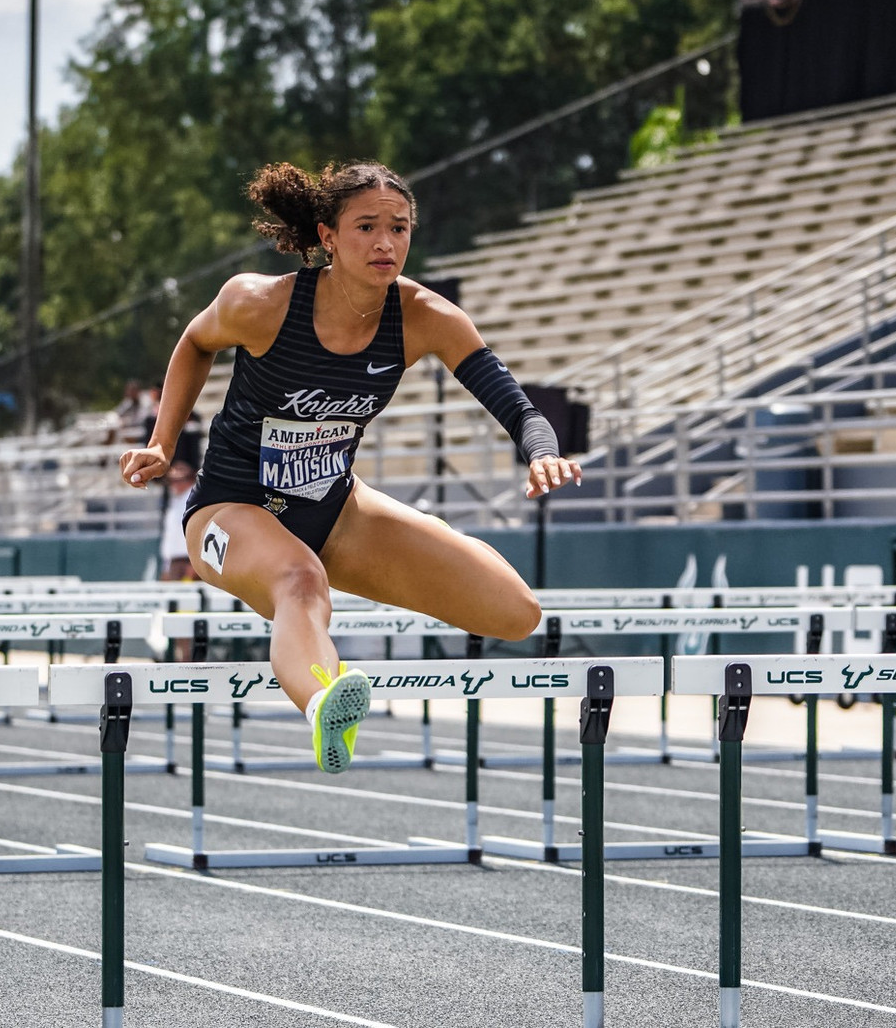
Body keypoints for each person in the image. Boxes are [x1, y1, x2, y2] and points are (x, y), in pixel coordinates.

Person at [117, 161, 578, 773]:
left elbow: (518, 408)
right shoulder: (258, 303)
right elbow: (196, 342)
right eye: (366, 227)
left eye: (400, 227)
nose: (386, 243)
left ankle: (430, 535)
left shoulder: (425, 317)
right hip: (228, 514)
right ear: (327, 236)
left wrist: (542, 451)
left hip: (335, 510)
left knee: (515, 614)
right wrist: (162, 440)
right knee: (301, 581)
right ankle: (324, 709)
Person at [158, 459, 200, 659]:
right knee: (176, 614)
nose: (175, 483)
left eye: (179, 479)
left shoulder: (194, 498)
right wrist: (167, 567)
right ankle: (181, 655)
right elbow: (170, 538)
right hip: (176, 563)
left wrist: (195, 563)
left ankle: (190, 658)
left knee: (189, 614)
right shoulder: (176, 500)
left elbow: (198, 534)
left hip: (189, 563)